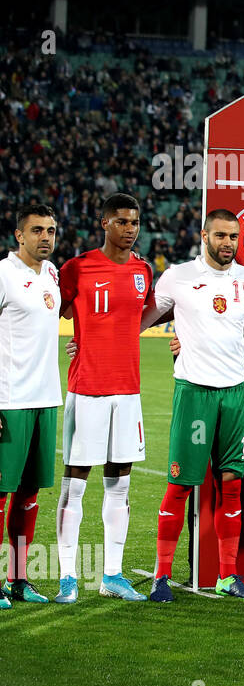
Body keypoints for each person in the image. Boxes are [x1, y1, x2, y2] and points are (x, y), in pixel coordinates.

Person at [141, 209, 244, 602]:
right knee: (181, 484)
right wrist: (98, 341)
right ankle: (161, 577)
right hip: (195, 393)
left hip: (235, 395)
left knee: (232, 485)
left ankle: (226, 575)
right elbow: (143, 319)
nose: (228, 243)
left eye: (233, 236)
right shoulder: (179, 276)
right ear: (204, 235)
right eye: (220, 235)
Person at [54, 193, 152, 603]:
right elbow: (48, 314)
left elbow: (141, 316)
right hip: (87, 389)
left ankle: (112, 574)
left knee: (119, 483)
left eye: (135, 222)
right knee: (75, 483)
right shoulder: (76, 268)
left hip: (128, 391)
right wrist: (70, 344)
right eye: (122, 221)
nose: (130, 229)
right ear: (104, 223)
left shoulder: (144, 271)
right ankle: (67, 577)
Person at [0, 204, 62, 607]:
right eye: (37, 230)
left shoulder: (52, 275)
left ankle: (19, 579)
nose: (46, 237)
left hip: (46, 398)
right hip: (9, 400)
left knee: (29, 494)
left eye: (51, 230)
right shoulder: (3, 274)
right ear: (19, 235)